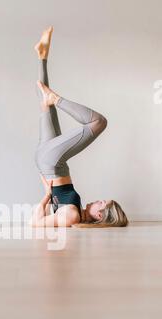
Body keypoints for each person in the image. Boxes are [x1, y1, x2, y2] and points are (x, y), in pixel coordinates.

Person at [31, 27, 128, 228]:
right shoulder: (77, 212)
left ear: (100, 216)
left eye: (102, 203)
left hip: (52, 163)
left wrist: (47, 195)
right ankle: (42, 56)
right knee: (44, 103)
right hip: (51, 162)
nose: (100, 200)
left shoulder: (72, 216)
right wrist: (49, 195)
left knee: (99, 122)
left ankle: (55, 97)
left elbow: (35, 223)